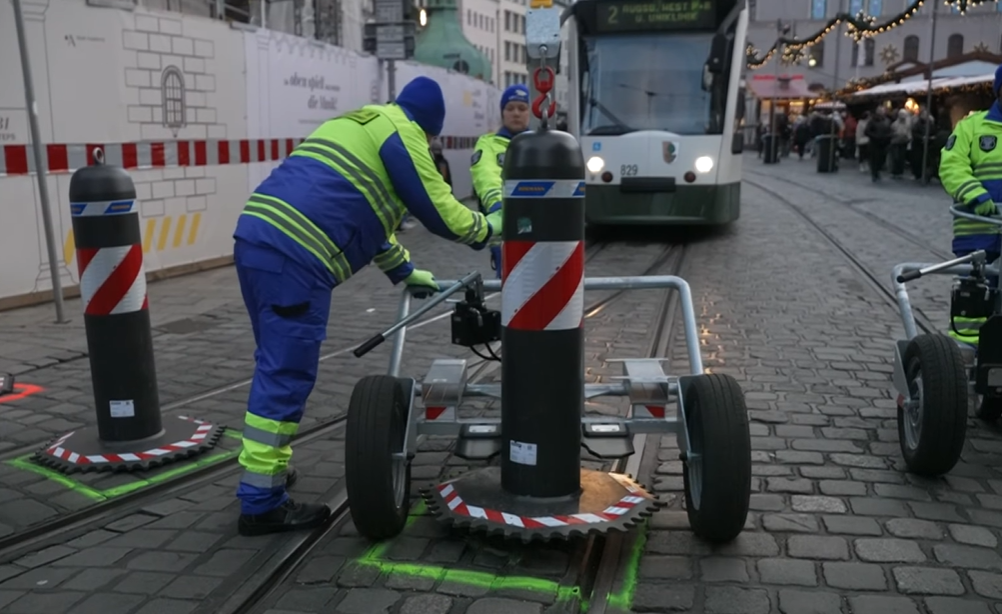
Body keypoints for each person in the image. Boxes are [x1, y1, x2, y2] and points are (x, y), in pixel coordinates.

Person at [231, 76, 503, 536]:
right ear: (430, 128)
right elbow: (441, 212)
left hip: (255, 239)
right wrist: (490, 227)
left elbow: (367, 213)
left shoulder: (356, 123)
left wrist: (404, 271)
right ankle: (261, 501)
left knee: (272, 362)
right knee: (286, 374)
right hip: (297, 258)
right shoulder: (405, 135)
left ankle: (268, 471)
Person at [937, 64, 1002, 348]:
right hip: (977, 230)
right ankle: (966, 353)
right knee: (974, 293)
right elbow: (952, 164)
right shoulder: (971, 127)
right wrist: (975, 194)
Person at [470, 84, 532, 278]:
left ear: (530, 113)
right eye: (510, 108)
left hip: (542, 229)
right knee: (512, 292)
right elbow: (486, 175)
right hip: (505, 234)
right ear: (502, 112)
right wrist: (499, 206)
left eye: (522, 109)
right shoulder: (488, 144)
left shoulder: (540, 144)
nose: (516, 113)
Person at [865, 106, 893, 181]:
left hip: (884, 143)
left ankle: (878, 170)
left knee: (882, 159)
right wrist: (875, 136)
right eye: (880, 111)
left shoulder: (887, 121)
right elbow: (867, 131)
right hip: (874, 143)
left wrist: (889, 136)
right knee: (874, 159)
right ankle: (874, 173)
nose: (881, 112)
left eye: (882, 111)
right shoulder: (872, 121)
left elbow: (890, 130)